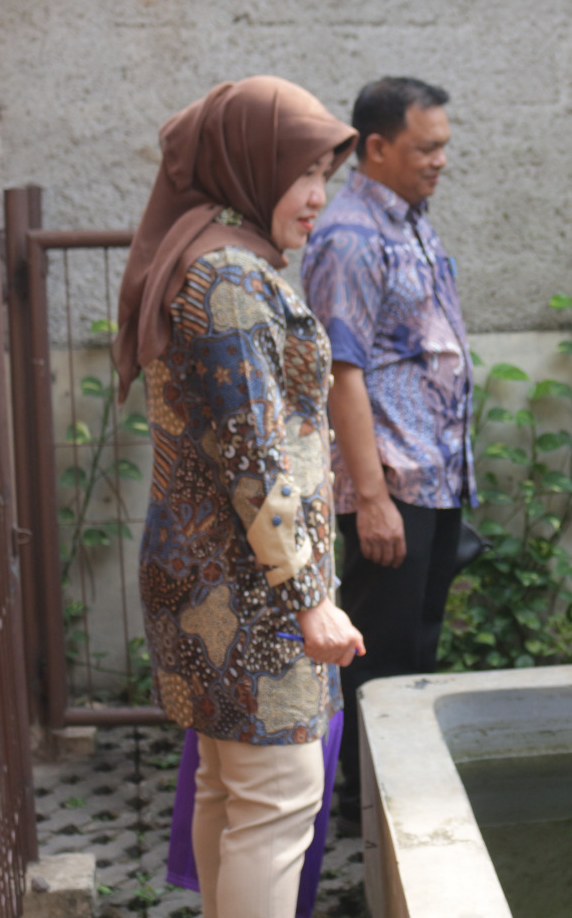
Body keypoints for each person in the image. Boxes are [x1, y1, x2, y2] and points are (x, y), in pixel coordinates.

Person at [113, 77, 365, 918]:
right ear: (249, 163)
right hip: (248, 589)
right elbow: (254, 457)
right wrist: (309, 599)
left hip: (217, 575)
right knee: (277, 800)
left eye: (325, 175)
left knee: (230, 792)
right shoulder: (225, 279)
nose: (318, 198)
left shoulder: (219, 261)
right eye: (304, 174)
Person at [300, 77, 473, 825]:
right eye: (424, 147)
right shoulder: (350, 236)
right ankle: (363, 824)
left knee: (413, 658)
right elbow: (341, 372)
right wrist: (371, 498)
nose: (440, 160)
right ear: (375, 147)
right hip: (392, 486)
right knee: (382, 664)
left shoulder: (410, 221)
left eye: (443, 145)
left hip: (432, 478)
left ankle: (394, 812)